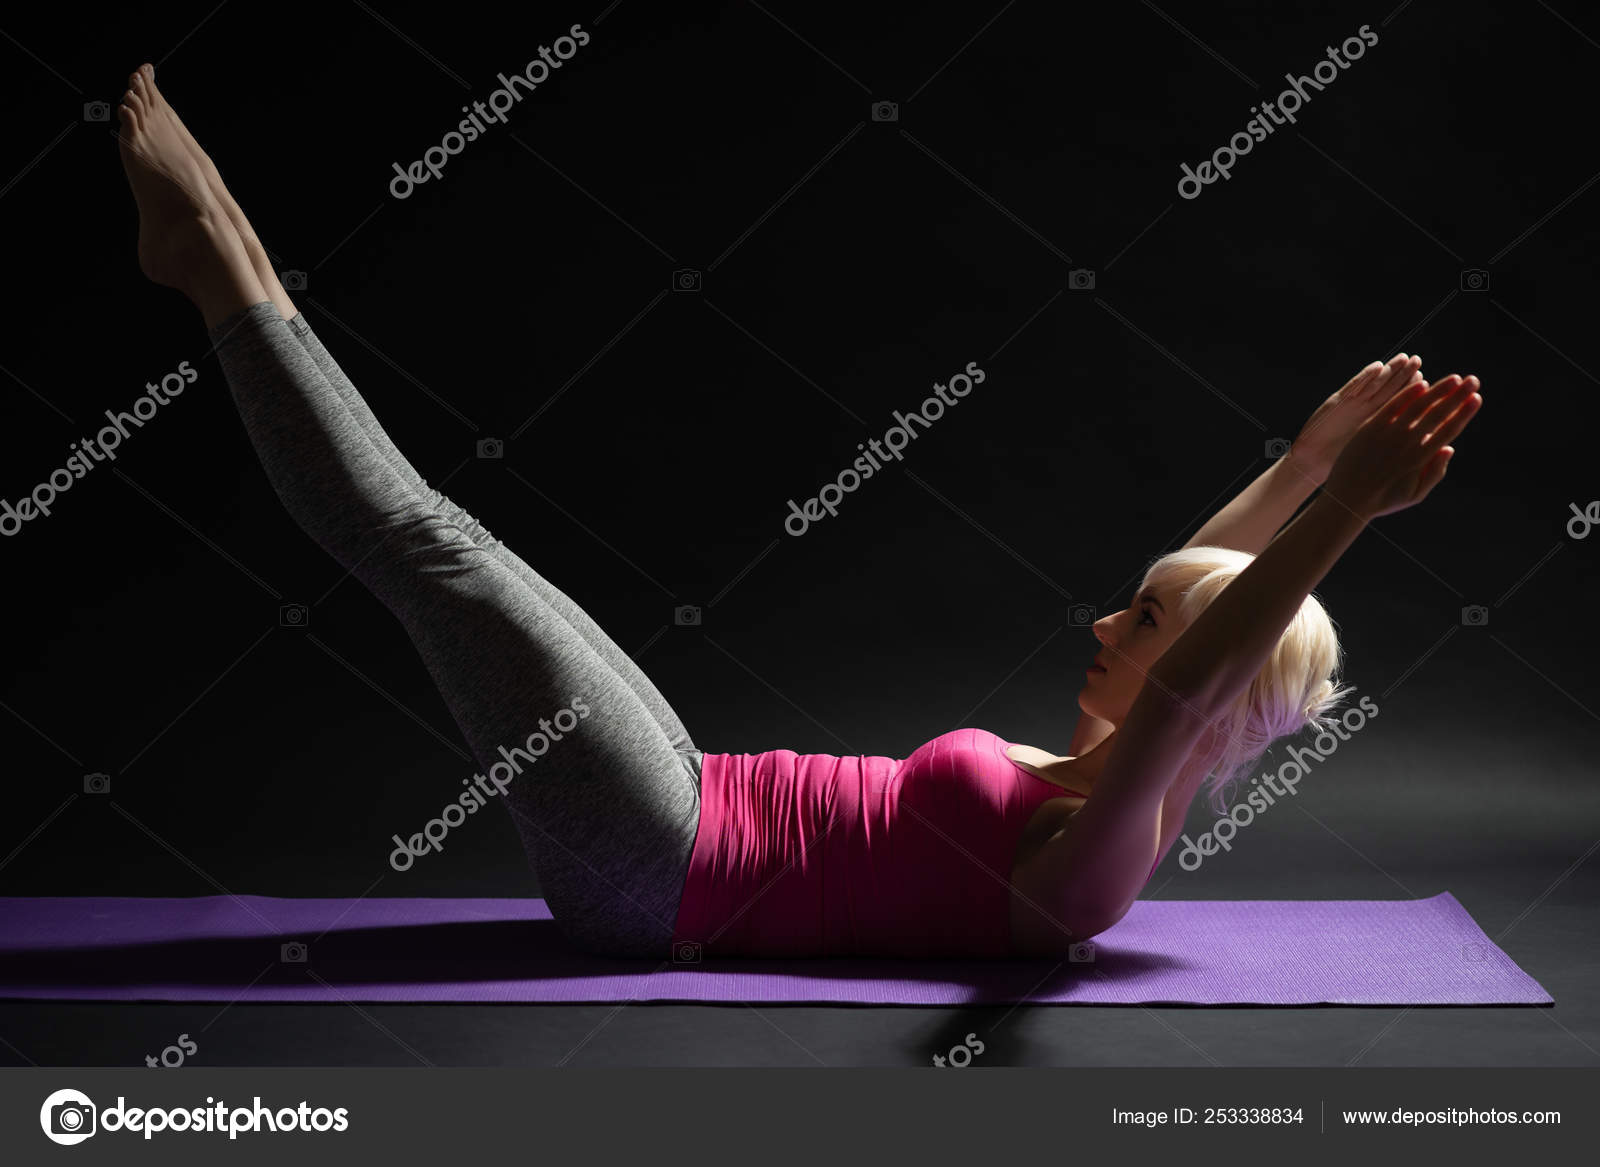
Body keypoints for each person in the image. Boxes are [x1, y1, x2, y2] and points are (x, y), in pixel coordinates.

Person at [114, 64, 1482, 961]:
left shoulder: (1101, 866)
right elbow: (1210, 610)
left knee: (429, 552)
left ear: (1222, 691)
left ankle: (221, 265)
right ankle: (230, 260)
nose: (1106, 621)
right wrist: (1309, 465)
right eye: (1135, 601)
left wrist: (1350, 510)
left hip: (659, 873)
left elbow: (1192, 674)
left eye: (1140, 620)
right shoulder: (1101, 759)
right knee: (449, 545)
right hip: (700, 784)